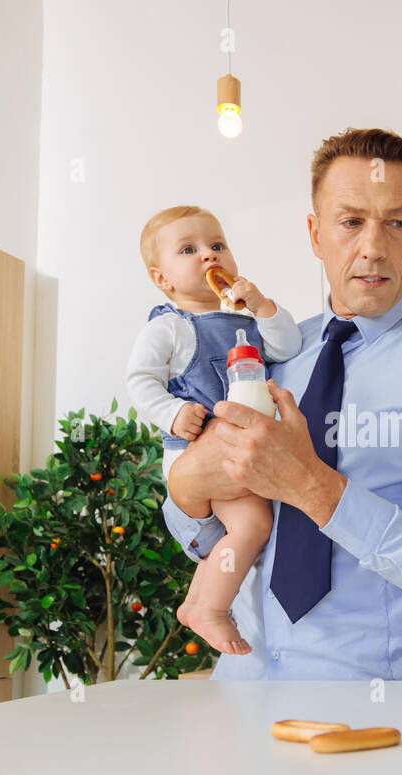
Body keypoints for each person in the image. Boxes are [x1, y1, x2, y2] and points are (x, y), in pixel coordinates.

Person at [160, 128, 402, 679]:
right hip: (242, 691)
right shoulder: (269, 355)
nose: (373, 246)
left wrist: (315, 489)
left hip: (381, 710)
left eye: (396, 223)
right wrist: (186, 494)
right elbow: (223, 540)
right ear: (315, 233)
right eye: (351, 222)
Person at [125, 206, 301, 654]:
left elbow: (288, 346)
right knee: (254, 523)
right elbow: (139, 380)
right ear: (162, 278)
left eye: (217, 245)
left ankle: (196, 602)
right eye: (189, 250)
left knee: (232, 535)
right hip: (197, 448)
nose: (209, 256)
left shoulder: (246, 320)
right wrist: (171, 411)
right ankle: (212, 611)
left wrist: (263, 307)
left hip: (238, 447)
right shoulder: (170, 326)